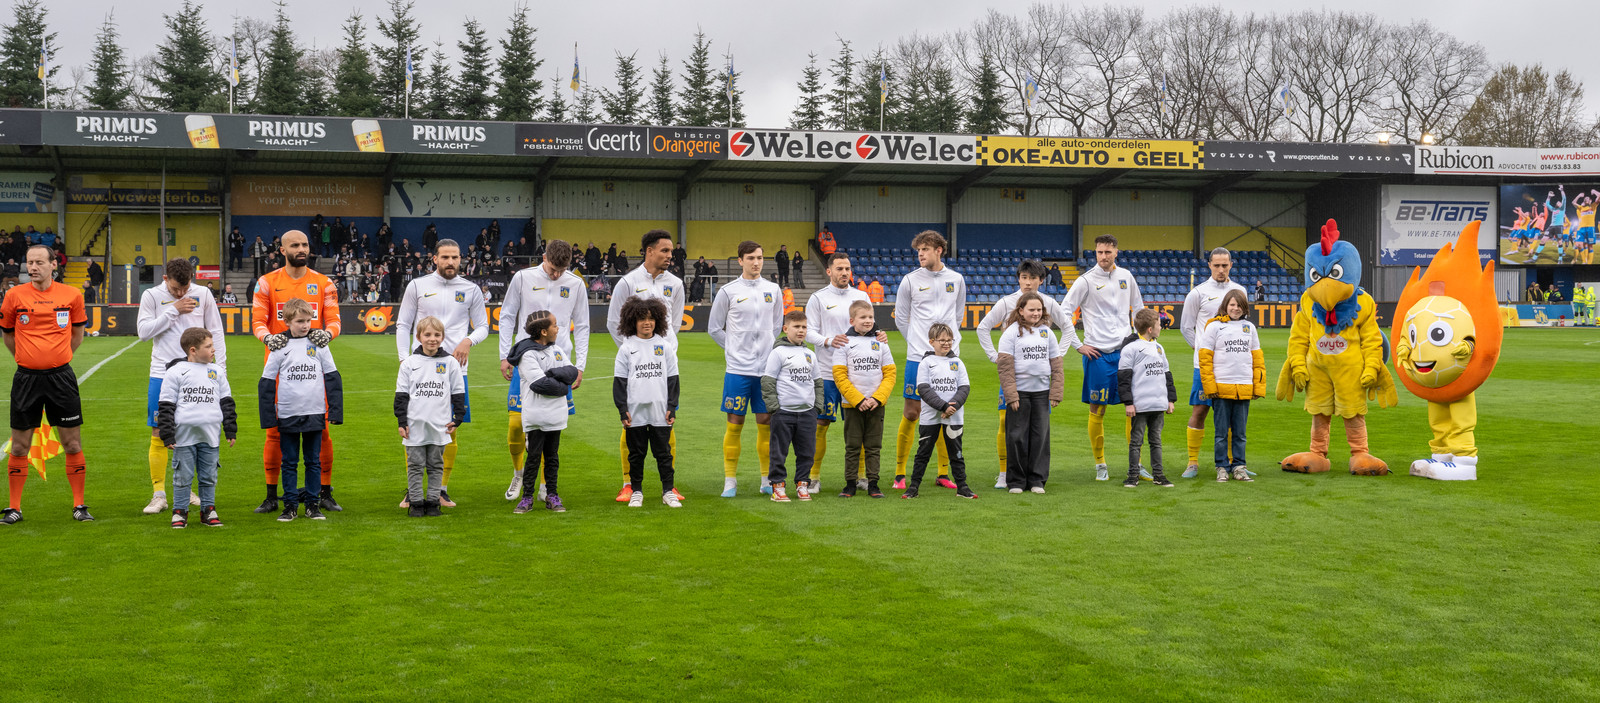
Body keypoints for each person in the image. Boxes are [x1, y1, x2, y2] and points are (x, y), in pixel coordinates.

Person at [393, 239, 488, 509]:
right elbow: (403, 324)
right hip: (419, 369)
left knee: (450, 429)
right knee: (413, 428)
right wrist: (404, 359)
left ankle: (441, 490)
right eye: (445, 257)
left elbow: (483, 326)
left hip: (455, 369)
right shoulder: (417, 285)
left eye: (455, 257)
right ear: (434, 258)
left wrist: (468, 340)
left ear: (461, 259)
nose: (450, 262)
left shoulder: (471, 289)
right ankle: (412, 491)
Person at [252, 230, 342, 514]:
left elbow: (334, 320)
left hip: (313, 370)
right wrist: (269, 339)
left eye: (304, 244)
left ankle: (324, 493)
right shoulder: (266, 282)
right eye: (295, 245)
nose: (301, 249)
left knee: (322, 431)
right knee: (274, 434)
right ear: (282, 250)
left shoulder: (324, 283)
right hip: (280, 370)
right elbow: (257, 322)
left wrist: (326, 335)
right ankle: (271, 496)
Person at [0, 245, 92, 524]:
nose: (33, 267)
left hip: (61, 379)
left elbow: (77, 334)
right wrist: (28, 359)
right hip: (26, 379)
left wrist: (57, 358)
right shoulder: (14, 296)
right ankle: (14, 508)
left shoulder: (72, 295)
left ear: (54, 264)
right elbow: (8, 335)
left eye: (39, 262)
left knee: (72, 443)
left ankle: (79, 505)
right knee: (19, 446)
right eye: (30, 262)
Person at [136, 258, 226, 515]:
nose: (181, 293)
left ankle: (187, 490)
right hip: (162, 373)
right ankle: (159, 495)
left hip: (198, 373)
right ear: (165, 279)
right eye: (176, 288)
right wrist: (173, 310)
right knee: (158, 431)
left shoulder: (203, 294)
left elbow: (216, 331)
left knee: (192, 430)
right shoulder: (152, 296)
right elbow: (143, 332)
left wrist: (221, 368)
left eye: (185, 288)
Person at [976, 260, 1075, 490]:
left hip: (1039, 382)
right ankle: (1005, 473)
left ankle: (1034, 476)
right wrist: (995, 356)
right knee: (1008, 424)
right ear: (1018, 279)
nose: (1028, 282)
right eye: (1024, 277)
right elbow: (983, 327)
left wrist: (1057, 355)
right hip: (1014, 377)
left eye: (1033, 278)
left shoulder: (1048, 303)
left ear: (1041, 280)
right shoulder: (1006, 302)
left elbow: (1068, 328)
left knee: (1038, 429)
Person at [606, 230, 686, 503]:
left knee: (666, 419)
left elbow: (674, 324)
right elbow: (613, 323)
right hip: (637, 364)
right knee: (632, 422)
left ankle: (669, 486)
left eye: (671, 251)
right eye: (665, 251)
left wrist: (659, 351)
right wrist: (636, 352)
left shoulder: (676, 284)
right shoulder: (628, 282)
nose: (670, 256)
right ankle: (628, 484)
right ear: (649, 251)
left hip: (664, 362)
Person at [1060, 234, 1144, 482]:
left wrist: (1141, 341)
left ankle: (1136, 465)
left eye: (1108, 252)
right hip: (1098, 354)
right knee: (1098, 408)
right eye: (1099, 252)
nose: (1104, 256)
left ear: (1116, 252)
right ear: (1095, 253)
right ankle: (1100, 464)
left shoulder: (1126, 276)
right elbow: (1063, 312)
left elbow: (1139, 310)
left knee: (1134, 407)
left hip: (1126, 352)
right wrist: (1078, 345)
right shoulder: (1086, 281)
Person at [708, 241, 785, 497]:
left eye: (760, 257)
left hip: (765, 371)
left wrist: (765, 350)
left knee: (766, 423)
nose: (756, 262)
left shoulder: (773, 289)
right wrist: (734, 349)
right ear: (740, 260)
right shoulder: (728, 291)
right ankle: (730, 481)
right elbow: (714, 328)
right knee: (735, 423)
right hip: (738, 370)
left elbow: (776, 326)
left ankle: (766, 479)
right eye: (751, 258)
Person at [805, 252, 886, 494]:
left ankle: (861, 476)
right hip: (828, 373)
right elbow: (809, 332)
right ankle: (813, 477)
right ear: (829, 271)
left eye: (847, 269)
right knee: (821, 423)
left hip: (859, 374)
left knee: (860, 425)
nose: (844, 273)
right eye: (839, 268)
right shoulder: (818, 298)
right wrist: (829, 340)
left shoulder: (861, 296)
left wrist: (880, 334)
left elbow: (870, 325)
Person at [258, 298, 343, 522]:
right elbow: (266, 383)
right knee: (289, 462)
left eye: (308, 320)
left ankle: (313, 506)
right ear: (286, 321)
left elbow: (333, 377)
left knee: (313, 461)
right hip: (288, 413)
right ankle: (290, 507)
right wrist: (268, 417)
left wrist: (335, 412)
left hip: (315, 411)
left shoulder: (319, 344)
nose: (305, 325)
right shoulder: (279, 346)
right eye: (299, 321)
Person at [891, 231, 964, 489]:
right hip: (918, 357)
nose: (920, 254)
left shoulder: (956, 279)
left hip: (949, 359)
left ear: (938, 250)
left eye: (925, 249)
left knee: (946, 411)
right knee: (912, 412)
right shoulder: (910, 280)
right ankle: (900, 473)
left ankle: (943, 473)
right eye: (918, 250)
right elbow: (901, 318)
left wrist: (944, 346)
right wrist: (918, 344)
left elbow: (957, 316)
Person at [155, 327, 237, 528]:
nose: (213, 350)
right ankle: (179, 512)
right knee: (182, 476)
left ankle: (208, 510)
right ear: (193, 350)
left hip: (210, 436)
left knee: (209, 476)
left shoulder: (217, 371)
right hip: (184, 437)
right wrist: (167, 434)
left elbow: (226, 402)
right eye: (208, 346)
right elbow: (166, 405)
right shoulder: (175, 371)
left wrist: (230, 429)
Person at [1179, 248, 1247, 479]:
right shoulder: (1198, 293)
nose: (1220, 270)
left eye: (1224, 265)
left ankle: (1234, 464)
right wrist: (1201, 350)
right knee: (1200, 410)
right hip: (1205, 367)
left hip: (1231, 367)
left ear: (1231, 265)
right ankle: (1192, 462)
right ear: (1209, 265)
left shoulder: (1240, 291)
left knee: (1232, 415)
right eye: (1216, 265)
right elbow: (1186, 327)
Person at [508, 311, 580, 513]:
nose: (558, 329)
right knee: (533, 457)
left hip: (556, 414)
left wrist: (552, 374)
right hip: (536, 415)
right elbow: (540, 384)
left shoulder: (556, 349)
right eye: (554, 325)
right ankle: (527, 497)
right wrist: (562, 385)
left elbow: (572, 372)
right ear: (543, 331)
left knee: (552, 457)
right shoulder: (528, 354)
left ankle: (552, 494)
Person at [612, 298, 681, 509]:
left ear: (657, 320)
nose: (647, 323)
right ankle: (636, 491)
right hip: (635, 411)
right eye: (642, 319)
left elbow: (673, 379)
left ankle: (668, 491)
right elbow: (619, 382)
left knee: (664, 454)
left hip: (660, 410)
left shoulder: (664, 346)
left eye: (651, 318)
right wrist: (622, 410)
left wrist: (672, 406)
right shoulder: (627, 348)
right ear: (633, 321)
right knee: (636, 455)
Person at [396, 316, 466, 517]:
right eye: (427, 334)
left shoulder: (450, 362)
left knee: (436, 465)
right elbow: (401, 395)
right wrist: (402, 421)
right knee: (415, 466)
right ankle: (416, 503)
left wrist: (458, 417)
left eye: (437, 334)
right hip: (414, 425)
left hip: (440, 425)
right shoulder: (409, 363)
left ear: (443, 337)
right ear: (419, 337)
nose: (432, 339)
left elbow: (458, 392)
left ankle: (434, 503)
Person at [997, 292, 1064, 494]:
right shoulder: (1010, 333)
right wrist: (1011, 396)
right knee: (1016, 437)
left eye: (1039, 310)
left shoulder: (1047, 333)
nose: (1036, 313)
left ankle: (1037, 480)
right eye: (1031, 309)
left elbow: (1057, 365)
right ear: (1020, 310)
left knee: (1040, 437)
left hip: (1042, 394)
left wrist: (1056, 392)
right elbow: (1005, 368)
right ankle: (1016, 481)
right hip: (1020, 393)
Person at [832, 300, 896, 498]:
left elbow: (890, 374)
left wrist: (877, 398)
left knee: (873, 447)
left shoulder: (881, 343)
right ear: (852, 320)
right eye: (863, 317)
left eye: (871, 317)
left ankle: (873, 484)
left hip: (876, 405)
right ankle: (850, 484)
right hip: (852, 405)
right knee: (852, 446)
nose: (868, 321)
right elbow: (840, 376)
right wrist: (858, 400)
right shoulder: (844, 343)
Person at [1198, 290, 1264, 482]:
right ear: (1225, 305)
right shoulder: (1214, 326)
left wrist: (1258, 387)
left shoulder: (1249, 328)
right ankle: (1221, 467)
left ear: (1245, 308)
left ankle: (1239, 467)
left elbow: (1257, 359)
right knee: (1221, 433)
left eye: (1239, 305)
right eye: (1232, 305)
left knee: (1240, 434)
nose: (1236, 309)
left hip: (1244, 387)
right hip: (1221, 388)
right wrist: (1210, 387)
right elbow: (1205, 359)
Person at [905, 322, 976, 499]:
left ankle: (962, 487)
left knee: (956, 454)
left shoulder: (957, 362)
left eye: (949, 340)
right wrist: (944, 407)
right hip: (930, 417)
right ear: (932, 342)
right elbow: (924, 389)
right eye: (942, 340)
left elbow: (964, 388)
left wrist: (953, 407)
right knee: (923, 453)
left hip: (954, 416)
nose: (946, 343)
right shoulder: (926, 363)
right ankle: (913, 487)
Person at [761, 311, 821, 502]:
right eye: (796, 327)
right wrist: (774, 408)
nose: (801, 330)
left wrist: (816, 407)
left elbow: (817, 382)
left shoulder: (810, 354)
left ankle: (802, 485)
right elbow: (768, 381)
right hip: (784, 413)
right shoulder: (778, 353)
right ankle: (778, 487)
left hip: (807, 413)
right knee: (779, 452)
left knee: (807, 453)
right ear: (786, 329)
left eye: (804, 327)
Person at [1117, 308, 1177, 489]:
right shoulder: (1131, 349)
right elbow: (1124, 378)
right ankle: (1132, 475)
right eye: (1159, 324)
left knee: (1156, 441)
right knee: (1136, 442)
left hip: (1158, 403)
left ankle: (1159, 475)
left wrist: (1170, 399)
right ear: (1150, 329)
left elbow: (1166, 375)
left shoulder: (1159, 347)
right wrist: (1128, 403)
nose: (1161, 327)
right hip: (1140, 405)